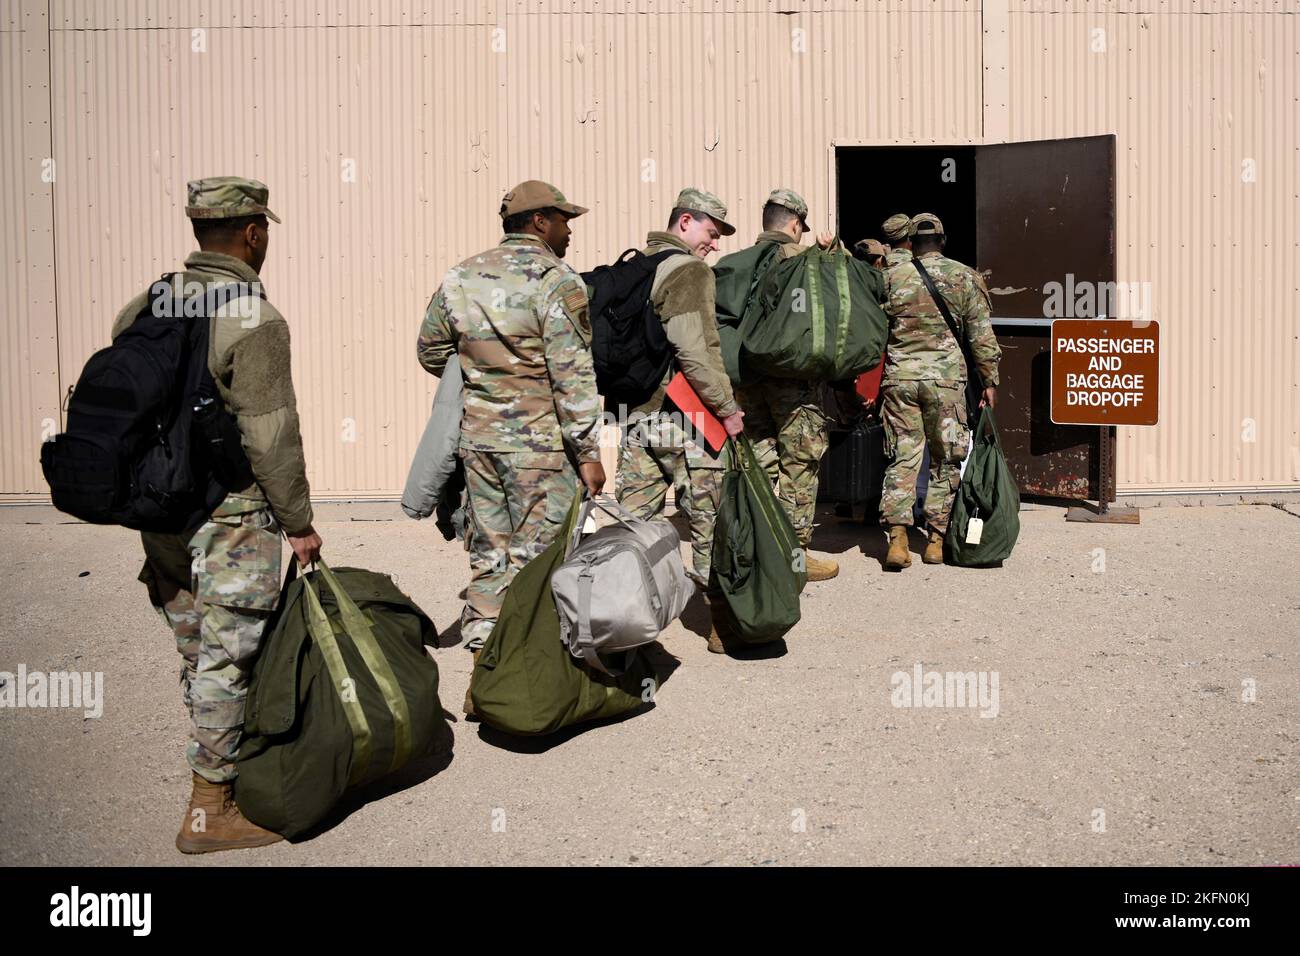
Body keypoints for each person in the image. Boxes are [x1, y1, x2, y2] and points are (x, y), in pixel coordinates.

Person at [121, 177, 321, 853]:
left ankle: (219, 752)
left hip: (160, 507)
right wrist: (298, 522)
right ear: (253, 234)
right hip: (230, 515)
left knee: (195, 644)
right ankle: (210, 807)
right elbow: (271, 434)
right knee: (229, 656)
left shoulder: (144, 305)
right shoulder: (254, 319)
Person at [417, 180, 604, 713]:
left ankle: (482, 677)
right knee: (538, 560)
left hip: (479, 444)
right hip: (541, 449)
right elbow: (572, 374)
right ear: (540, 221)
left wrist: (485, 378)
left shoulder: (461, 276)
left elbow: (431, 348)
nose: (569, 231)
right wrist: (588, 451)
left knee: (488, 555)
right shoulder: (556, 280)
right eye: (564, 219)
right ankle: (528, 682)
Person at [614, 187, 745, 654]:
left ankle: (623, 622)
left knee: (633, 522)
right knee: (709, 519)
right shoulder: (688, 270)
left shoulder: (634, 266)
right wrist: (727, 410)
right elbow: (694, 351)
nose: (715, 243)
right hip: (687, 418)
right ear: (685, 222)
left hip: (636, 417)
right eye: (711, 232)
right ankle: (720, 622)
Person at [722, 188, 842, 582]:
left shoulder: (735, 263)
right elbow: (844, 295)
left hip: (747, 380)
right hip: (794, 383)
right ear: (795, 224)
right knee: (800, 464)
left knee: (756, 460)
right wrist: (833, 251)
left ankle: (754, 543)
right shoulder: (805, 261)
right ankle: (794, 557)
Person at [879, 213, 1000, 569]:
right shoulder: (964, 276)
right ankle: (935, 540)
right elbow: (981, 335)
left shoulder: (891, 276)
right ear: (943, 242)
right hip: (946, 382)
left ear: (911, 243)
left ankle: (898, 540)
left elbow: (875, 333)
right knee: (946, 457)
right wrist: (989, 380)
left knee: (903, 456)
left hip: (900, 380)